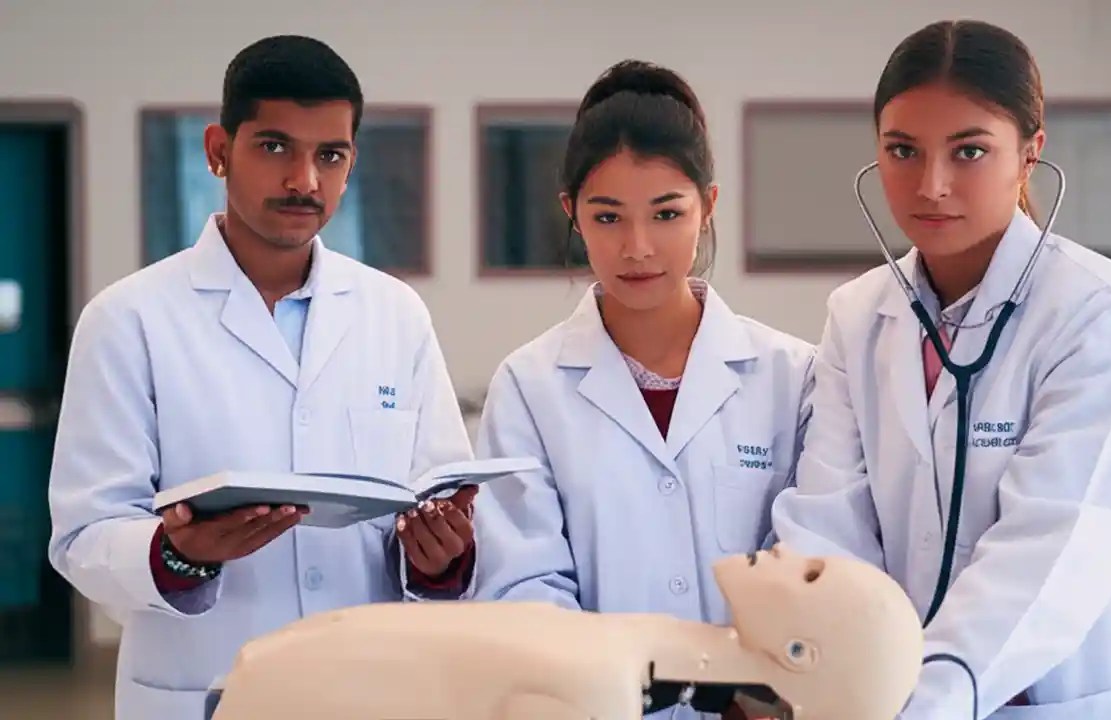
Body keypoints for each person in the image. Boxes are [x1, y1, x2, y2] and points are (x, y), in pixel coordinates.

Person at [771, 19, 1111, 720]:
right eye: (902, 150)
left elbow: (1054, 547)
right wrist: (831, 672)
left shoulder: (1104, 313)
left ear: (1030, 152)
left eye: (969, 150)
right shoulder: (858, 315)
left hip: (1064, 695)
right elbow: (828, 521)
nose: (931, 185)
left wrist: (921, 699)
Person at [47, 35, 475, 719]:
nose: (304, 180)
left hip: (371, 690)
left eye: (329, 155)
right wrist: (177, 555)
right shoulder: (129, 320)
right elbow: (82, 538)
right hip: (204, 691)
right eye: (275, 147)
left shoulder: (394, 315)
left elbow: (440, 500)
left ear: (350, 163)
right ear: (219, 150)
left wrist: (439, 556)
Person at [466, 60, 815, 719]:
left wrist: (760, 685)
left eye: (666, 214)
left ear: (708, 205)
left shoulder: (791, 375)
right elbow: (523, 584)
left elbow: (814, 558)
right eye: (607, 217)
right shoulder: (530, 387)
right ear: (571, 212)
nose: (637, 247)